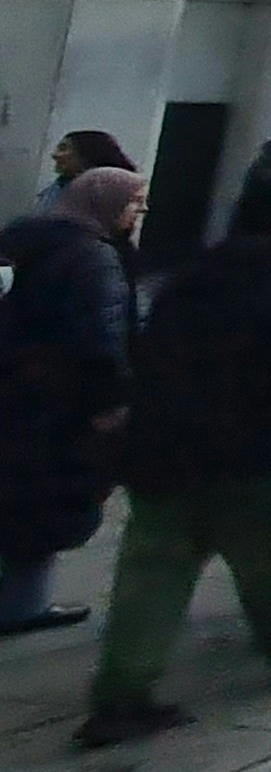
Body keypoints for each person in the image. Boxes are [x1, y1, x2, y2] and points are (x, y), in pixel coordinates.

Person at [78, 175, 271, 746]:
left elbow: (146, 350)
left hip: (163, 445)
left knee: (152, 573)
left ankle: (121, 696)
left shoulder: (189, 276)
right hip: (257, 449)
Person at [0, 166, 143, 635]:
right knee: (45, 503)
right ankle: (21, 606)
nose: (140, 210)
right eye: (135, 201)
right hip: (57, 401)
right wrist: (114, 401)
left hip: (14, 385)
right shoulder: (95, 259)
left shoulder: (21, 239)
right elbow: (102, 340)